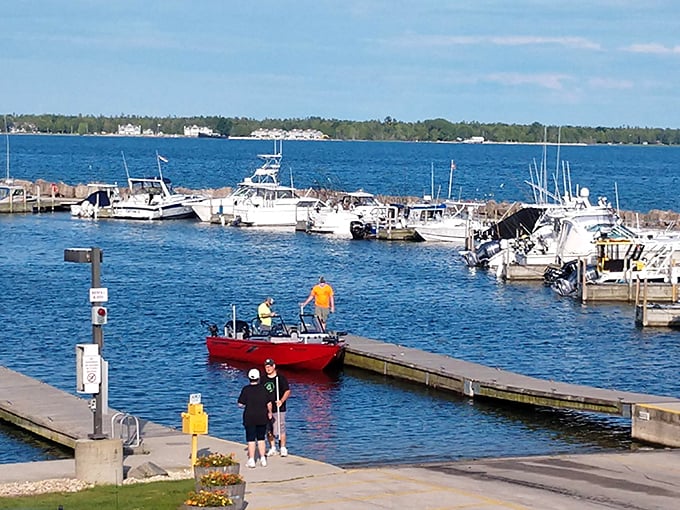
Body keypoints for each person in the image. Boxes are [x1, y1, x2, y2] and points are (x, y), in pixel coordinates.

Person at [237, 368, 273, 468]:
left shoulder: (246, 389)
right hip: (262, 416)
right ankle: (263, 459)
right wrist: (269, 413)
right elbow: (269, 403)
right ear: (258, 378)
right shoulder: (263, 389)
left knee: (251, 439)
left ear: (249, 378)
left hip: (249, 417)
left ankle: (252, 460)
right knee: (261, 438)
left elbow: (240, 403)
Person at [262, 358, 291, 457]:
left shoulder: (281, 378)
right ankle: (272, 447)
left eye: (270, 366)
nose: (268, 368)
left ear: (274, 366)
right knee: (269, 428)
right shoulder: (263, 379)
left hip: (279, 407)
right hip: (267, 408)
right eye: (266, 367)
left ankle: (283, 447)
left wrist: (281, 401)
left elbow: (287, 391)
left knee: (281, 427)